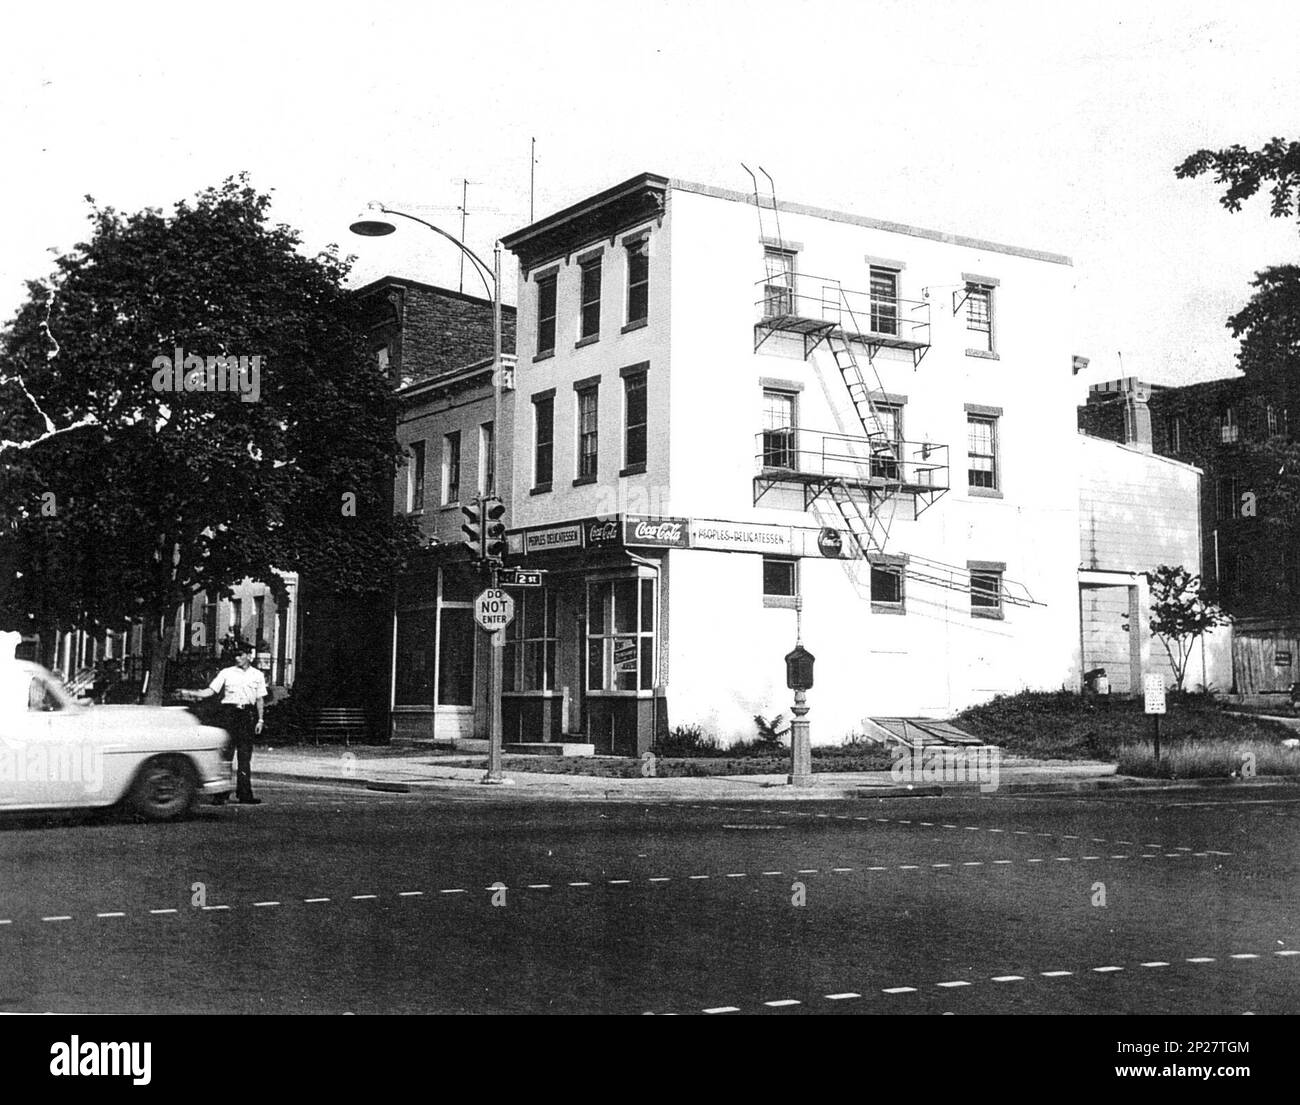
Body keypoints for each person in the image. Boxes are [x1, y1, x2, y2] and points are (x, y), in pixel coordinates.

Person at [181, 641, 266, 804]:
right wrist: (192, 693)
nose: (237, 658)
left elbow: (259, 699)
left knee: (244, 757)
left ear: (249, 656)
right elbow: (211, 691)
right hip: (230, 714)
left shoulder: (257, 675)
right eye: (236, 655)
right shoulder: (226, 673)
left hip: (247, 715)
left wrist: (260, 719)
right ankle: (221, 794)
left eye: (241, 655)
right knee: (226, 756)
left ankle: (245, 794)